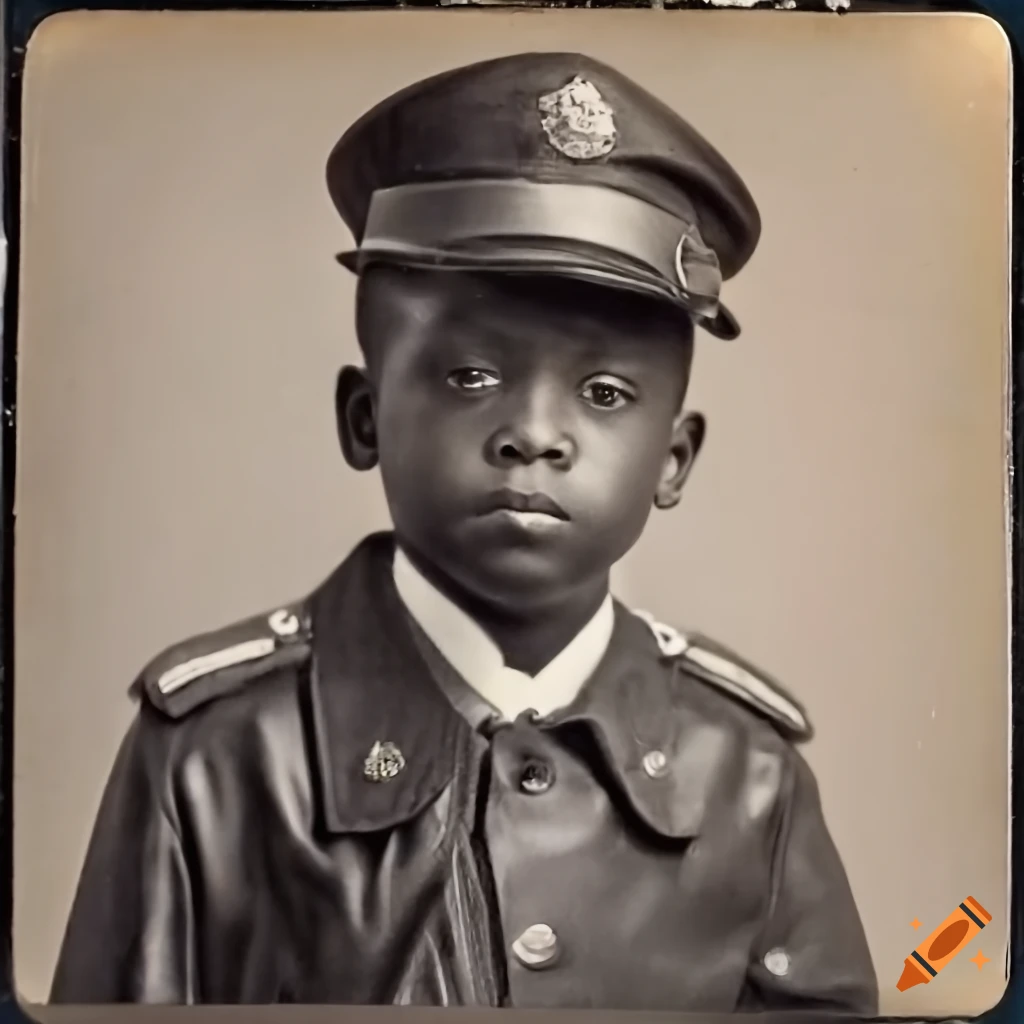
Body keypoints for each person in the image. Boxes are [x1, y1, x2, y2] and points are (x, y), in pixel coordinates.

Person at [49, 52, 878, 1013]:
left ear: (674, 460)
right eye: (471, 377)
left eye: (605, 392)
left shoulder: (747, 774)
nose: (533, 434)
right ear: (364, 418)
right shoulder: (216, 756)